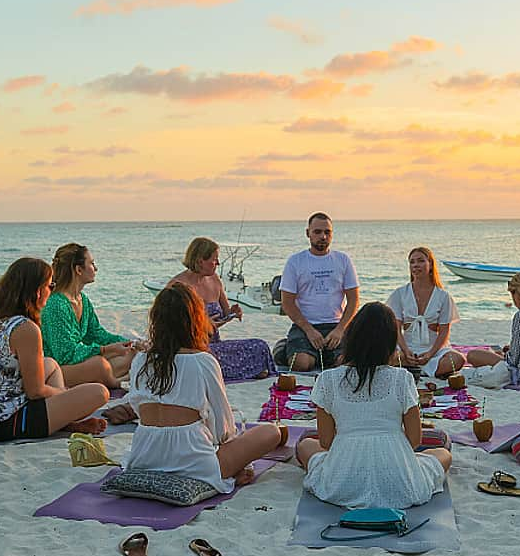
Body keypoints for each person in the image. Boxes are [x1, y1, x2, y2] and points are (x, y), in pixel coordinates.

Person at [122, 283, 282, 491]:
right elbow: (223, 430)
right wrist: (238, 458)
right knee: (271, 432)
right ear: (195, 320)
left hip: (144, 456)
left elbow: (139, 408)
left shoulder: (141, 360)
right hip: (195, 465)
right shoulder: (202, 361)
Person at [296, 302, 451, 509]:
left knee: (306, 445)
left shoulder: (327, 379)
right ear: (390, 343)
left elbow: (326, 442)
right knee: (443, 454)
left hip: (341, 483)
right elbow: (414, 440)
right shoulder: (402, 379)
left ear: (351, 338)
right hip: (400, 483)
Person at [0, 257, 110, 441]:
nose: (51, 292)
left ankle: (64, 422)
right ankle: (64, 420)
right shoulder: (26, 328)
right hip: (5, 421)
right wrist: (64, 393)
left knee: (50, 364)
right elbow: (35, 391)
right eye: (50, 286)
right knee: (100, 392)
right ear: (37, 291)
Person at [167, 237, 278, 382]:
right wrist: (202, 324)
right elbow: (168, 325)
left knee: (260, 346)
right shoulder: (178, 286)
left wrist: (233, 312)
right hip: (190, 348)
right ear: (200, 261)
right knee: (207, 358)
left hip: (214, 344)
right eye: (214, 259)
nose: (218, 263)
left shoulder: (214, 279)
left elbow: (226, 313)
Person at [40, 243, 134, 389]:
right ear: (78, 270)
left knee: (132, 354)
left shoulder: (82, 299)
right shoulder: (56, 305)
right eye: (91, 263)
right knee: (99, 365)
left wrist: (129, 343)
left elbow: (97, 334)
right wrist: (106, 350)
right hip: (58, 370)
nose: (95, 268)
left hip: (78, 364)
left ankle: (108, 378)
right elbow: (66, 355)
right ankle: (115, 381)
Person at [279, 213, 359, 372]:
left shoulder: (343, 260)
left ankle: (324, 356)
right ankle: (285, 348)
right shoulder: (295, 261)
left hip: (336, 325)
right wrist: (309, 330)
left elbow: (354, 300)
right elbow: (287, 303)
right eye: (317, 232)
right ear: (308, 233)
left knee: (345, 364)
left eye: (327, 232)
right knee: (301, 364)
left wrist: (340, 330)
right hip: (305, 326)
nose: (323, 236)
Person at [387, 247, 466, 376]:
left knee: (457, 360)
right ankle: (417, 367)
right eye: (412, 262)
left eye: (421, 261)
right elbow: (396, 328)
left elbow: (444, 331)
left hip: (433, 349)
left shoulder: (443, 296)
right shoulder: (400, 293)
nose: (416, 265)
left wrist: (430, 354)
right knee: (384, 357)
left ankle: (416, 368)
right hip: (406, 348)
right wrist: (406, 351)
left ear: (430, 264)